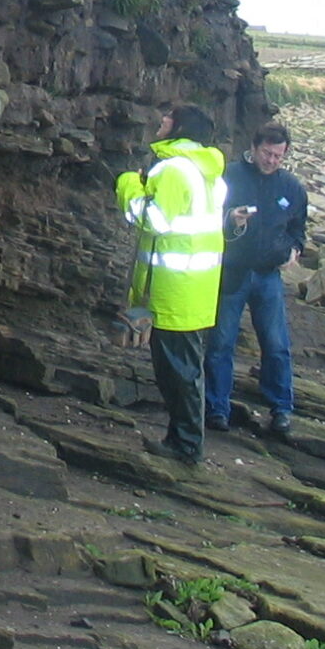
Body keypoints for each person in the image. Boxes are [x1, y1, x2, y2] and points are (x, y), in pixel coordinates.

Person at [115, 103, 228, 464]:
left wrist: (129, 184)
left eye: (167, 118)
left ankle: (186, 444)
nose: (161, 122)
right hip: (196, 288)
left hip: (173, 288)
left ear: (179, 127)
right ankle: (184, 439)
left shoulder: (175, 169)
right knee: (185, 369)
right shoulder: (207, 172)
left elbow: (154, 220)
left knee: (178, 372)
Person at [207, 124, 309, 438]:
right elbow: (206, 216)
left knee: (277, 345)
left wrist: (294, 250)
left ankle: (281, 410)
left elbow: (298, 230)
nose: (271, 160)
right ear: (254, 147)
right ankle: (216, 409)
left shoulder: (292, 187)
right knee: (221, 343)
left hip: (268, 275)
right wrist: (228, 221)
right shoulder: (229, 176)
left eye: (278, 155)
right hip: (231, 271)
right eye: (267, 153)